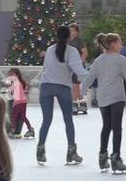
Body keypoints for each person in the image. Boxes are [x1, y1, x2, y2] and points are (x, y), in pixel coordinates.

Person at [82, 33, 126, 174]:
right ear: (113, 44)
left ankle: (102, 156)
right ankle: (116, 158)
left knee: (106, 126)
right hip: (117, 97)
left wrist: (82, 90)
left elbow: (89, 77)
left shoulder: (99, 60)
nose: (121, 45)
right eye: (120, 43)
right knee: (116, 128)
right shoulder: (121, 59)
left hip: (103, 97)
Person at [37, 26, 88, 166]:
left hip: (46, 86)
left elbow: (46, 67)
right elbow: (79, 70)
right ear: (68, 36)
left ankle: (40, 150)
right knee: (68, 119)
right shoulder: (72, 51)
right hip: (63, 87)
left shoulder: (49, 49)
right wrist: (90, 80)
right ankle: (71, 151)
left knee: (46, 120)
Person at [6, 68, 35, 139]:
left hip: (18, 102)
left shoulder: (16, 82)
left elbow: (10, 90)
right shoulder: (20, 82)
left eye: (12, 75)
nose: (10, 76)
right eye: (10, 75)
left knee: (14, 116)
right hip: (23, 102)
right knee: (23, 117)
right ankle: (30, 129)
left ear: (17, 75)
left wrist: (8, 89)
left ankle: (12, 131)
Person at [69, 23, 89, 115]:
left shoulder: (79, 41)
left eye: (73, 30)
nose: (71, 32)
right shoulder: (68, 41)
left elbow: (85, 52)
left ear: (77, 32)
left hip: (77, 67)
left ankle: (74, 108)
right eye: (70, 30)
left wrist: (80, 63)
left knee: (75, 87)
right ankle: (82, 106)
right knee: (75, 87)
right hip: (71, 67)